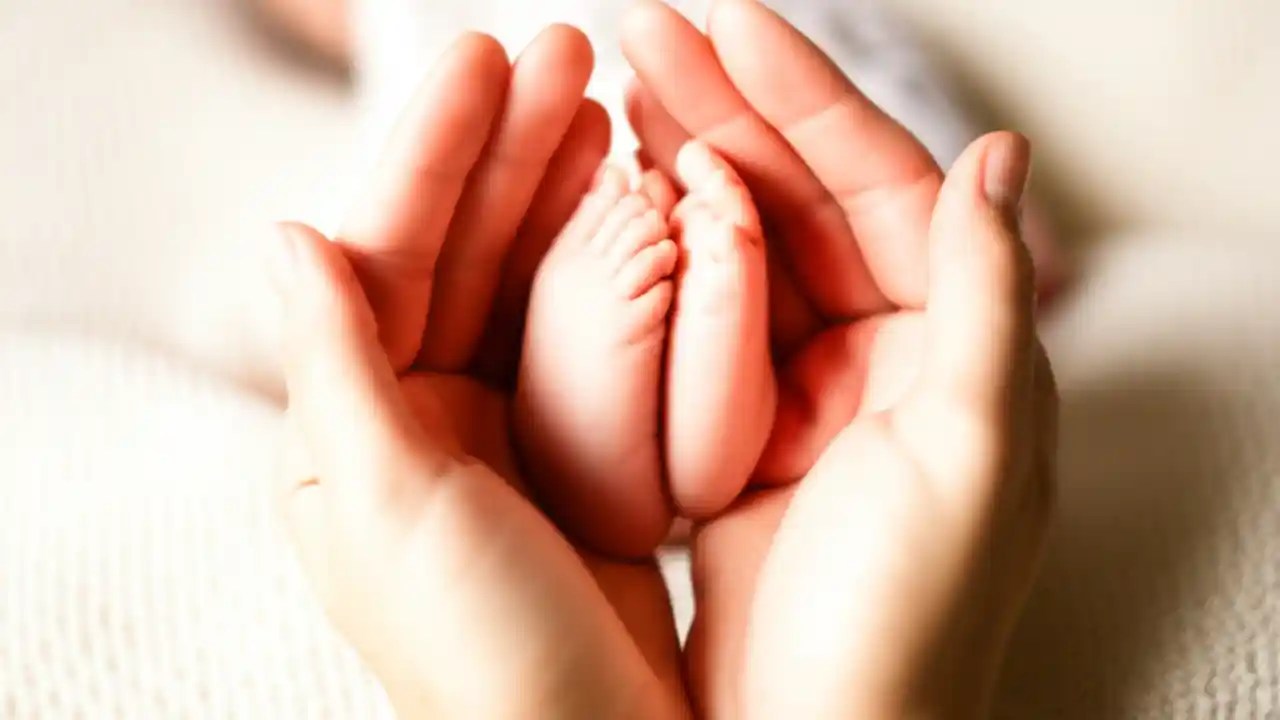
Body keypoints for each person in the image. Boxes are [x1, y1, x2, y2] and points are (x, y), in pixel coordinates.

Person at [267, 0, 1057, 717]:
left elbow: (895, 81)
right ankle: (659, 368)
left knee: (598, 253)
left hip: (771, 234)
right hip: (582, 241)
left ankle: (660, 391)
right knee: (466, 218)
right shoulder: (405, 23)